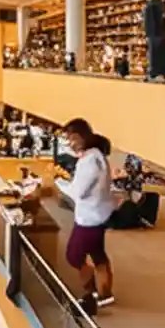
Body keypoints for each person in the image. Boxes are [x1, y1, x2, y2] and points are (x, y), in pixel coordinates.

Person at [55, 119, 116, 313]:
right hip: (98, 214)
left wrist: (58, 183)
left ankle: (91, 293)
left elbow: (78, 192)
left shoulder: (89, 161)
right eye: (68, 138)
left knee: (74, 256)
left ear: (84, 136)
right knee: (98, 255)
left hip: (89, 219)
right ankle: (105, 294)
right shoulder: (97, 156)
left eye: (74, 138)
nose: (71, 143)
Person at [143, 0, 165, 82]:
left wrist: (147, 34)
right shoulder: (162, 9)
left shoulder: (148, 8)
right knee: (163, 55)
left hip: (153, 35)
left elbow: (147, 24)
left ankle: (154, 74)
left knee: (154, 55)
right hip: (162, 35)